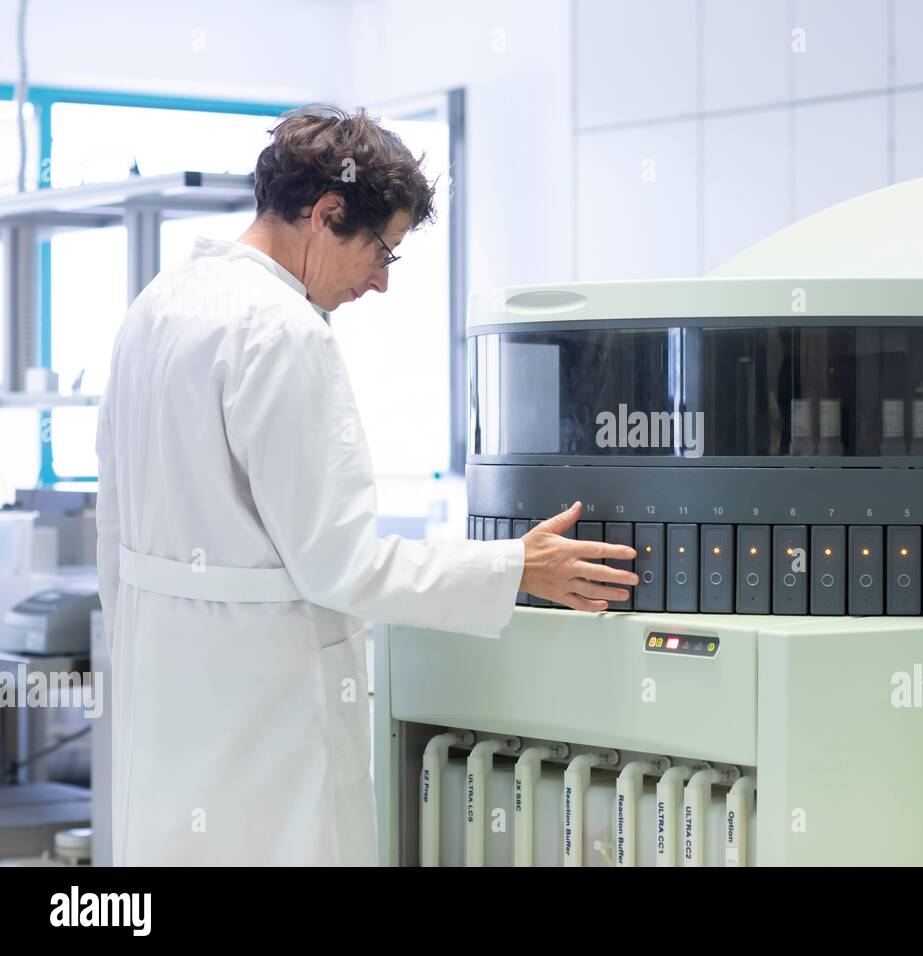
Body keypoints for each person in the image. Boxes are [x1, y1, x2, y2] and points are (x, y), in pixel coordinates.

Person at [94, 106, 637, 865]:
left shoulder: (160, 303)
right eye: (383, 250)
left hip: (165, 699)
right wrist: (516, 565)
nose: (381, 282)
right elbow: (341, 564)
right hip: (267, 712)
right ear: (326, 214)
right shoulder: (284, 331)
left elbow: (112, 533)